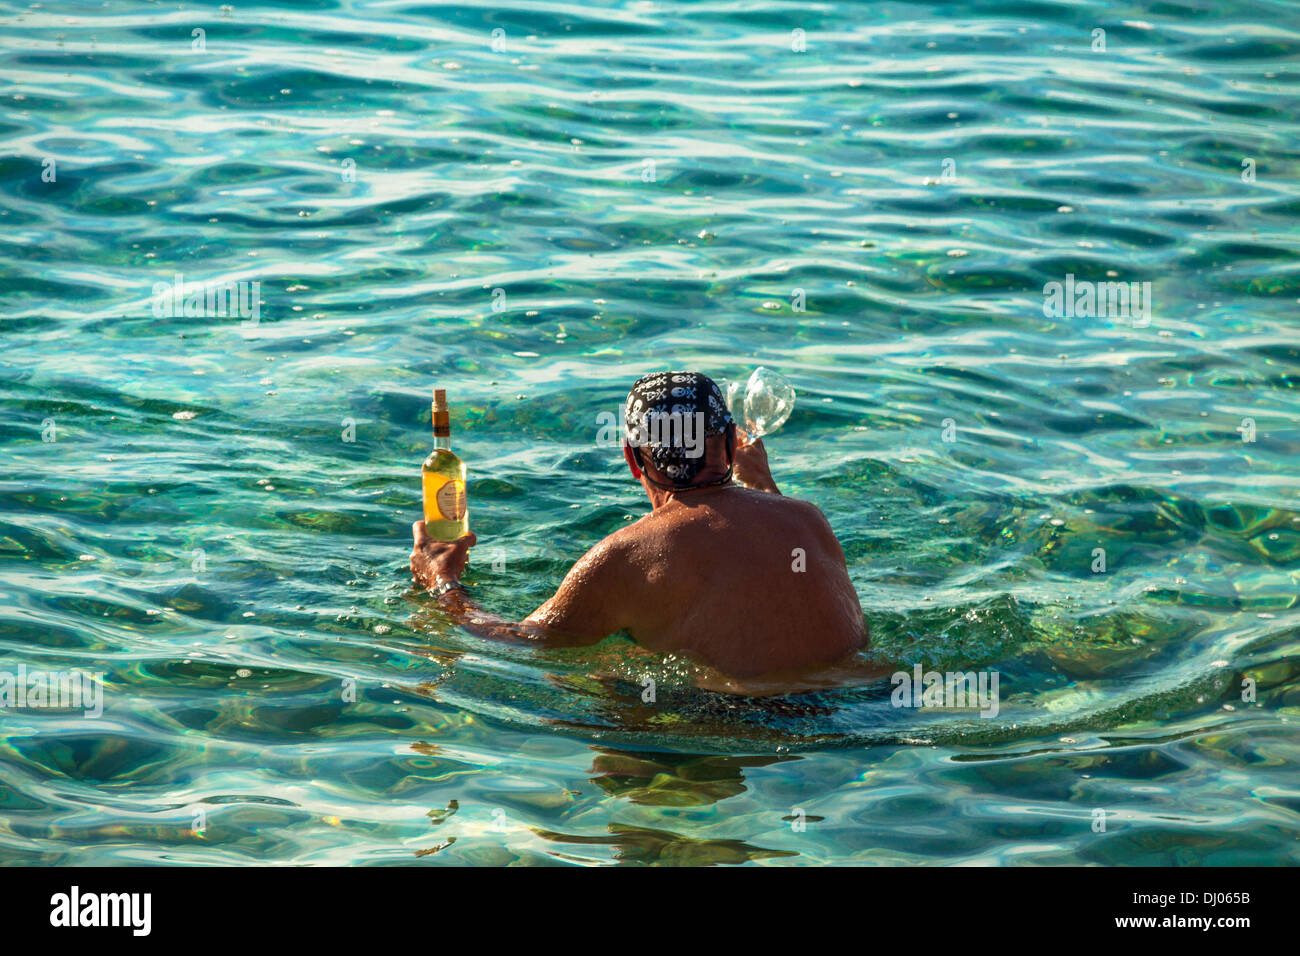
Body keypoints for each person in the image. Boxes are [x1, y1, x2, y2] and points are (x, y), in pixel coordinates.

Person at [409, 371, 868, 683]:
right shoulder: (807, 518)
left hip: (735, 724)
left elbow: (519, 644)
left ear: (631, 458)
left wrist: (442, 582)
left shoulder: (625, 557)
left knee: (593, 692)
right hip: (849, 704)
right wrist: (762, 482)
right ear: (729, 442)